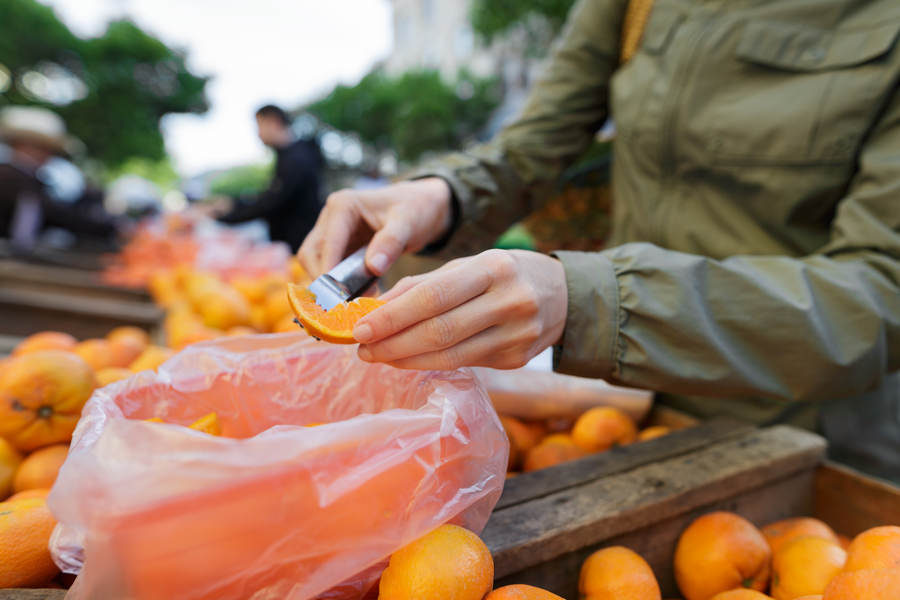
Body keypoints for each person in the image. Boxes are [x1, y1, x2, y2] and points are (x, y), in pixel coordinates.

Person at [299, 0, 900, 481]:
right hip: (640, 411)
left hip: (812, 440)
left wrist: (591, 299)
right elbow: (534, 143)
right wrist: (442, 195)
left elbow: (881, 293)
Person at [0, 106, 116, 250]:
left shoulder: (30, 180)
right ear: (21, 145)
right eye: (43, 148)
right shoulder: (10, 178)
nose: (48, 155)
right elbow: (57, 215)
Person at [215, 104, 324, 252]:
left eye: (259, 125)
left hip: (300, 246)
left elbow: (271, 202)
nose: (258, 134)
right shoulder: (289, 157)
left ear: (273, 122)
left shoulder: (296, 159)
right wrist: (234, 204)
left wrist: (224, 217)